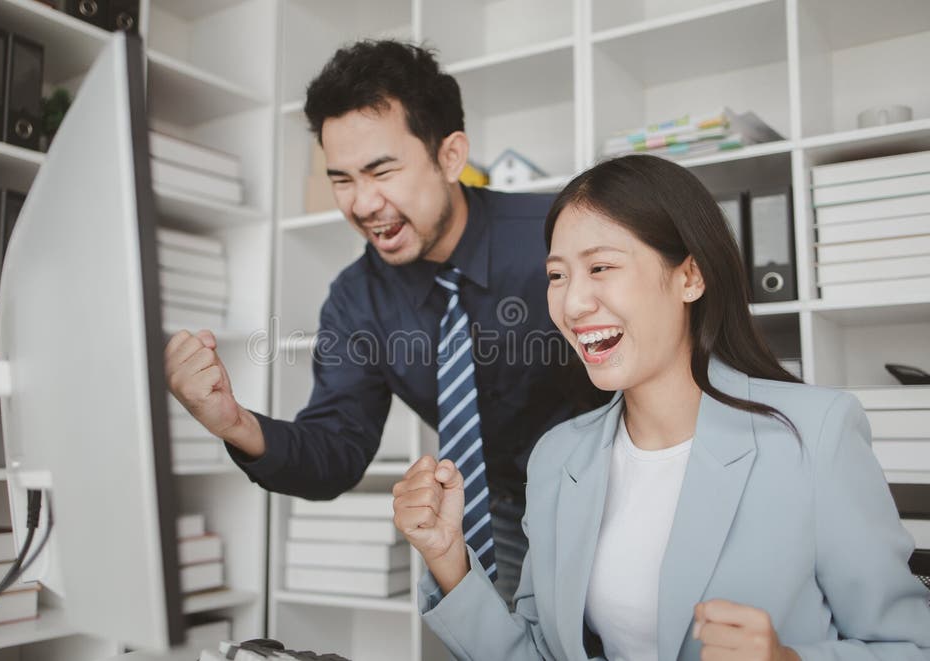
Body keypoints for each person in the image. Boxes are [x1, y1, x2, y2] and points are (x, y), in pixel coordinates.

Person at [392, 154, 930, 660]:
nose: (573, 302)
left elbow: (912, 646)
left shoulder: (815, 434)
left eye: (600, 267)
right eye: (557, 275)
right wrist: (448, 557)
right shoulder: (559, 457)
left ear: (690, 276)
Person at [164, 39, 607, 606]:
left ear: (450, 156)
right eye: (342, 179)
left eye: (381, 170)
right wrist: (234, 423)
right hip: (498, 509)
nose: (362, 203)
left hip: (616, 485)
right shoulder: (356, 303)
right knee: (493, 641)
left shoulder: (557, 235)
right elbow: (336, 452)